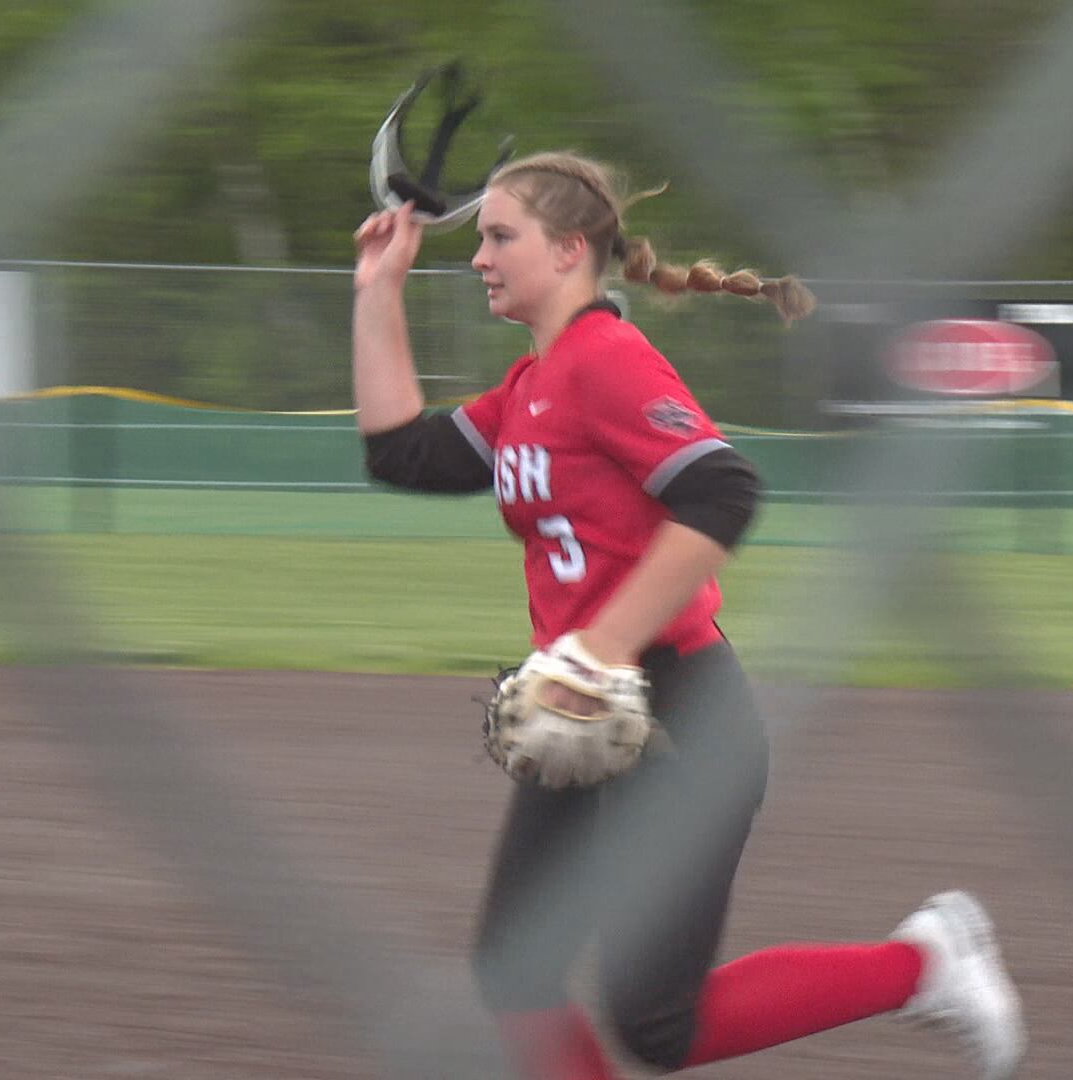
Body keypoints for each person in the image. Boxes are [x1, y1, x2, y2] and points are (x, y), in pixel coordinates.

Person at [350, 152, 1025, 1079]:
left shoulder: (606, 360)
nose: (479, 258)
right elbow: (403, 454)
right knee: (516, 970)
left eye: (501, 236)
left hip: (680, 718)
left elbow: (722, 491)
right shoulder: (532, 385)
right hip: (584, 709)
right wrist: (378, 288)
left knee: (657, 1026)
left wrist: (599, 648)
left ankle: (926, 964)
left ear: (569, 249)